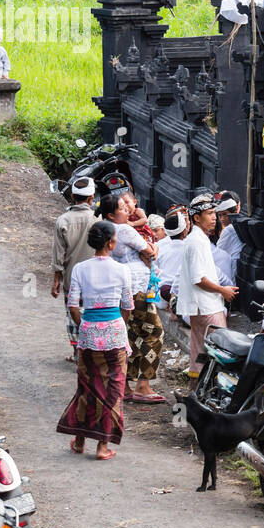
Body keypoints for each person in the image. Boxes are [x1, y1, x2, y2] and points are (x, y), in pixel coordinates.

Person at [56, 221, 132, 461]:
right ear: (110, 242)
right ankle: (102, 446)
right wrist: (118, 323)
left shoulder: (80, 269)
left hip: (88, 333)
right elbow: (127, 306)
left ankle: (79, 441)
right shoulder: (122, 270)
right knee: (113, 389)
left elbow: (72, 305)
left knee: (87, 386)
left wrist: (85, 325)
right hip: (115, 333)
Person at [99, 193, 163, 404]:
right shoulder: (124, 230)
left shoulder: (105, 230)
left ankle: (124, 385)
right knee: (153, 332)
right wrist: (151, 249)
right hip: (137, 288)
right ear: (111, 214)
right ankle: (143, 386)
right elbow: (150, 251)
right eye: (121, 208)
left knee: (130, 334)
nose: (127, 210)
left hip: (120, 288)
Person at [179, 193, 238, 379]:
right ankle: (213, 388)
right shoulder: (197, 242)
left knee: (199, 349)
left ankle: (196, 389)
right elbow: (199, 278)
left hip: (201, 304)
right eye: (209, 213)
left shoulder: (198, 238)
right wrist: (223, 290)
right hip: (207, 305)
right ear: (197, 218)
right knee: (220, 348)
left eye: (215, 213)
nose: (214, 218)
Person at [51, 177, 100, 353]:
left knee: (73, 314)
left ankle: (77, 351)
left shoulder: (63, 220)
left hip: (71, 280)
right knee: (93, 314)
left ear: (72, 196)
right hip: (95, 281)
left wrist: (56, 279)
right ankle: (93, 348)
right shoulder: (97, 219)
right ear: (91, 198)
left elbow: (58, 254)